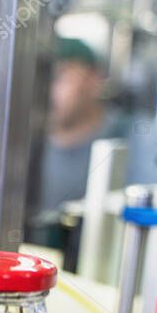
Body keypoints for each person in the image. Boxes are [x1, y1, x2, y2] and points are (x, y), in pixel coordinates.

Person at [34, 37, 129, 217]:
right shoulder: (22, 148)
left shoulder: (133, 140)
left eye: (58, 77)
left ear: (95, 80)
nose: (45, 91)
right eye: (39, 78)